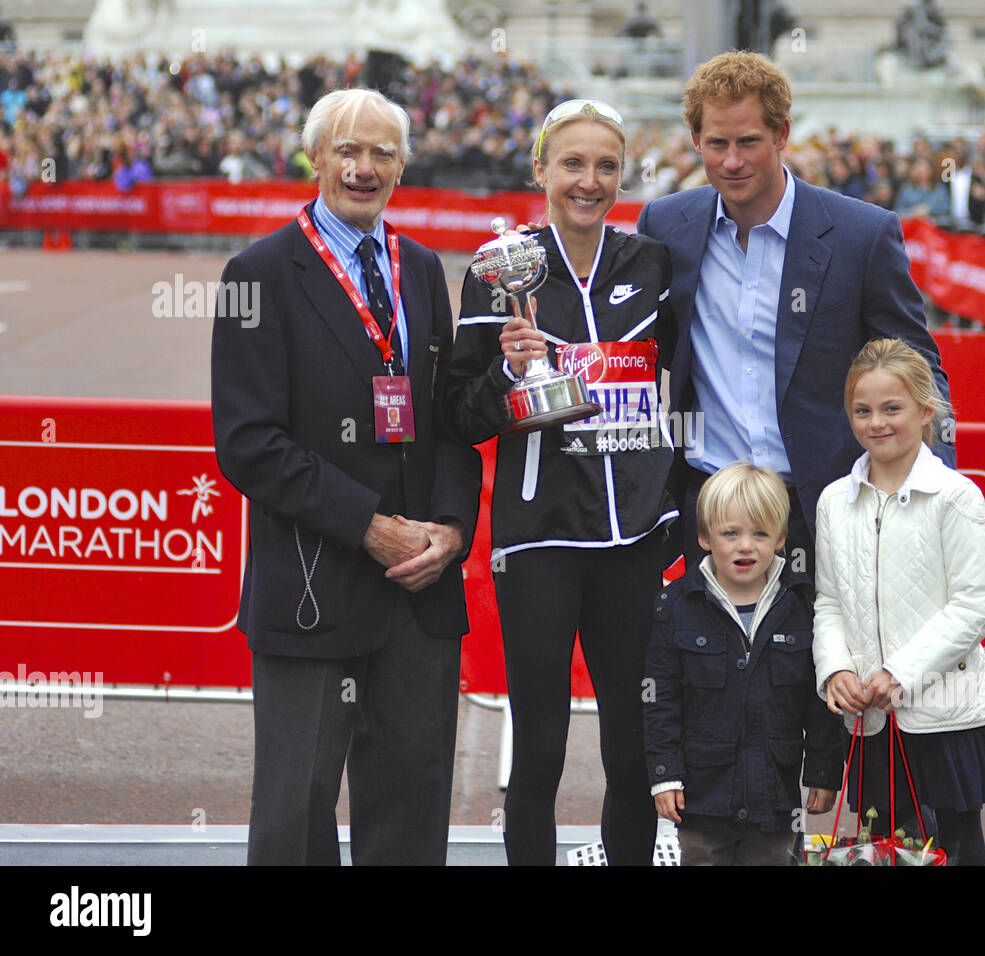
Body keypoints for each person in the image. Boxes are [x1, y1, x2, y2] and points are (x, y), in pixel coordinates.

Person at [210, 88, 481, 865]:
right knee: (296, 814)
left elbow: (450, 419)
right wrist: (368, 524)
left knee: (409, 809)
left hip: (419, 590)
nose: (364, 168)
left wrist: (452, 531)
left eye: (382, 153)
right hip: (313, 585)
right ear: (316, 158)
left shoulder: (424, 270)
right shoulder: (257, 272)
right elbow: (248, 443)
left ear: (402, 166)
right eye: (347, 151)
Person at [444, 99, 676, 866]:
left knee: (634, 751)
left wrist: (675, 504)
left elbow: (683, 386)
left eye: (606, 165)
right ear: (540, 170)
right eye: (572, 163)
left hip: (635, 541)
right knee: (538, 749)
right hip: (540, 539)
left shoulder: (651, 265)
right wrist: (511, 375)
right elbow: (461, 415)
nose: (589, 180)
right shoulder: (497, 270)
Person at [637, 51, 951, 581]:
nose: (732, 161)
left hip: (827, 509)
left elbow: (917, 365)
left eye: (748, 142)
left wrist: (936, 483)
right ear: (696, 141)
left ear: (782, 134)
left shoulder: (861, 234)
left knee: (830, 665)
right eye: (717, 144)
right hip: (710, 510)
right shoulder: (666, 224)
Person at [813, 338, 985, 866]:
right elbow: (829, 601)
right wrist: (835, 670)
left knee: (956, 851)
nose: (877, 422)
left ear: (925, 409)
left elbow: (976, 602)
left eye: (892, 408)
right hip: (871, 722)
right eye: (863, 410)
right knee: (886, 850)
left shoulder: (956, 496)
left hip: (944, 719)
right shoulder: (835, 501)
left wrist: (901, 671)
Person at [643, 462, 843, 865]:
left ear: (782, 539)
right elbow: (660, 701)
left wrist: (824, 771)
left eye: (760, 533)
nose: (745, 546)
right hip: (701, 801)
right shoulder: (676, 607)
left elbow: (820, 699)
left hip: (775, 800)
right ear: (703, 537)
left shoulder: (802, 606)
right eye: (730, 533)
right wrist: (664, 774)